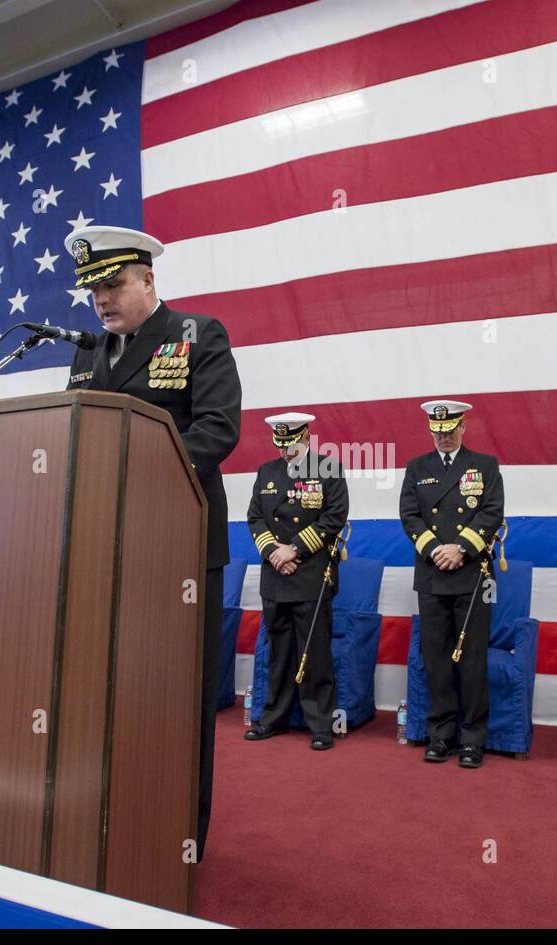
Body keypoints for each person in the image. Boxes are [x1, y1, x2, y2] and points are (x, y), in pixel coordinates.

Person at [63, 225, 243, 857]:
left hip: (178, 545)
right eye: (93, 291)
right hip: (103, 548)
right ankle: (112, 816)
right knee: (112, 688)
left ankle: (180, 834)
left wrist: (131, 475)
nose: (103, 301)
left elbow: (218, 432)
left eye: (113, 285)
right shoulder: (88, 351)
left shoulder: (199, 336)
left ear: (148, 279)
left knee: (177, 695)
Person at [398, 400, 504, 768]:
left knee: (472, 660)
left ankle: (473, 737)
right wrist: (435, 550)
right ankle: (441, 734)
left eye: (449, 430)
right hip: (431, 574)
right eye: (437, 431)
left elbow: (492, 512)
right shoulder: (417, 468)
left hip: (472, 574)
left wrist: (460, 548)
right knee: (437, 659)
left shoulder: (485, 466)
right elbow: (409, 516)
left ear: (463, 428)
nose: (443, 437)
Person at [245, 413, 349, 750]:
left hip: (310, 573)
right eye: (280, 445)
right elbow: (255, 517)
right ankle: (272, 718)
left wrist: (294, 550)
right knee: (278, 652)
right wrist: (274, 552)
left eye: (291, 445)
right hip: (275, 573)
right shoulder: (267, 471)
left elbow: (334, 517)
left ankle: (320, 724)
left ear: (306, 437)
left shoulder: (328, 468)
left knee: (314, 651)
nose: (286, 452)